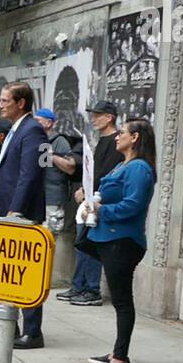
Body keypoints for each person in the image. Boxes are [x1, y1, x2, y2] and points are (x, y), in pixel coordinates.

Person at [82, 118, 158, 363]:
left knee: (123, 301)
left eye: (122, 133)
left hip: (123, 240)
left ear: (135, 138)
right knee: (119, 299)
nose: (117, 137)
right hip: (108, 238)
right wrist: (92, 200)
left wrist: (103, 210)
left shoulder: (139, 169)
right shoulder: (121, 165)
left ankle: (120, 359)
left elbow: (133, 205)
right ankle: (117, 350)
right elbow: (107, 191)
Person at [0, 82, 46, 349]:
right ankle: (7, 323)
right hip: (5, 208)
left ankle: (32, 331)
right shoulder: (15, 130)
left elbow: (30, 174)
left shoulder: (33, 130)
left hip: (22, 213)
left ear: (21, 103)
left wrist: (15, 209)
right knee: (5, 269)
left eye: (5, 100)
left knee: (25, 271)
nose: (0, 104)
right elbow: (4, 171)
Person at [61, 100, 123, 307]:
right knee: (82, 242)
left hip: (99, 199)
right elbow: (93, 171)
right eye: (93, 114)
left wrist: (91, 193)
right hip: (89, 197)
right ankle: (79, 286)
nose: (93, 119)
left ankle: (92, 290)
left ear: (109, 117)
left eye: (98, 115)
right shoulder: (103, 139)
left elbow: (106, 173)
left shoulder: (115, 141)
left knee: (90, 244)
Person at [35, 107, 81, 233]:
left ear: (49, 123)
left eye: (38, 121)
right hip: (37, 196)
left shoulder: (59, 141)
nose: (34, 124)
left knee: (50, 234)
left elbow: (70, 167)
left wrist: (51, 156)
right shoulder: (35, 139)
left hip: (53, 198)